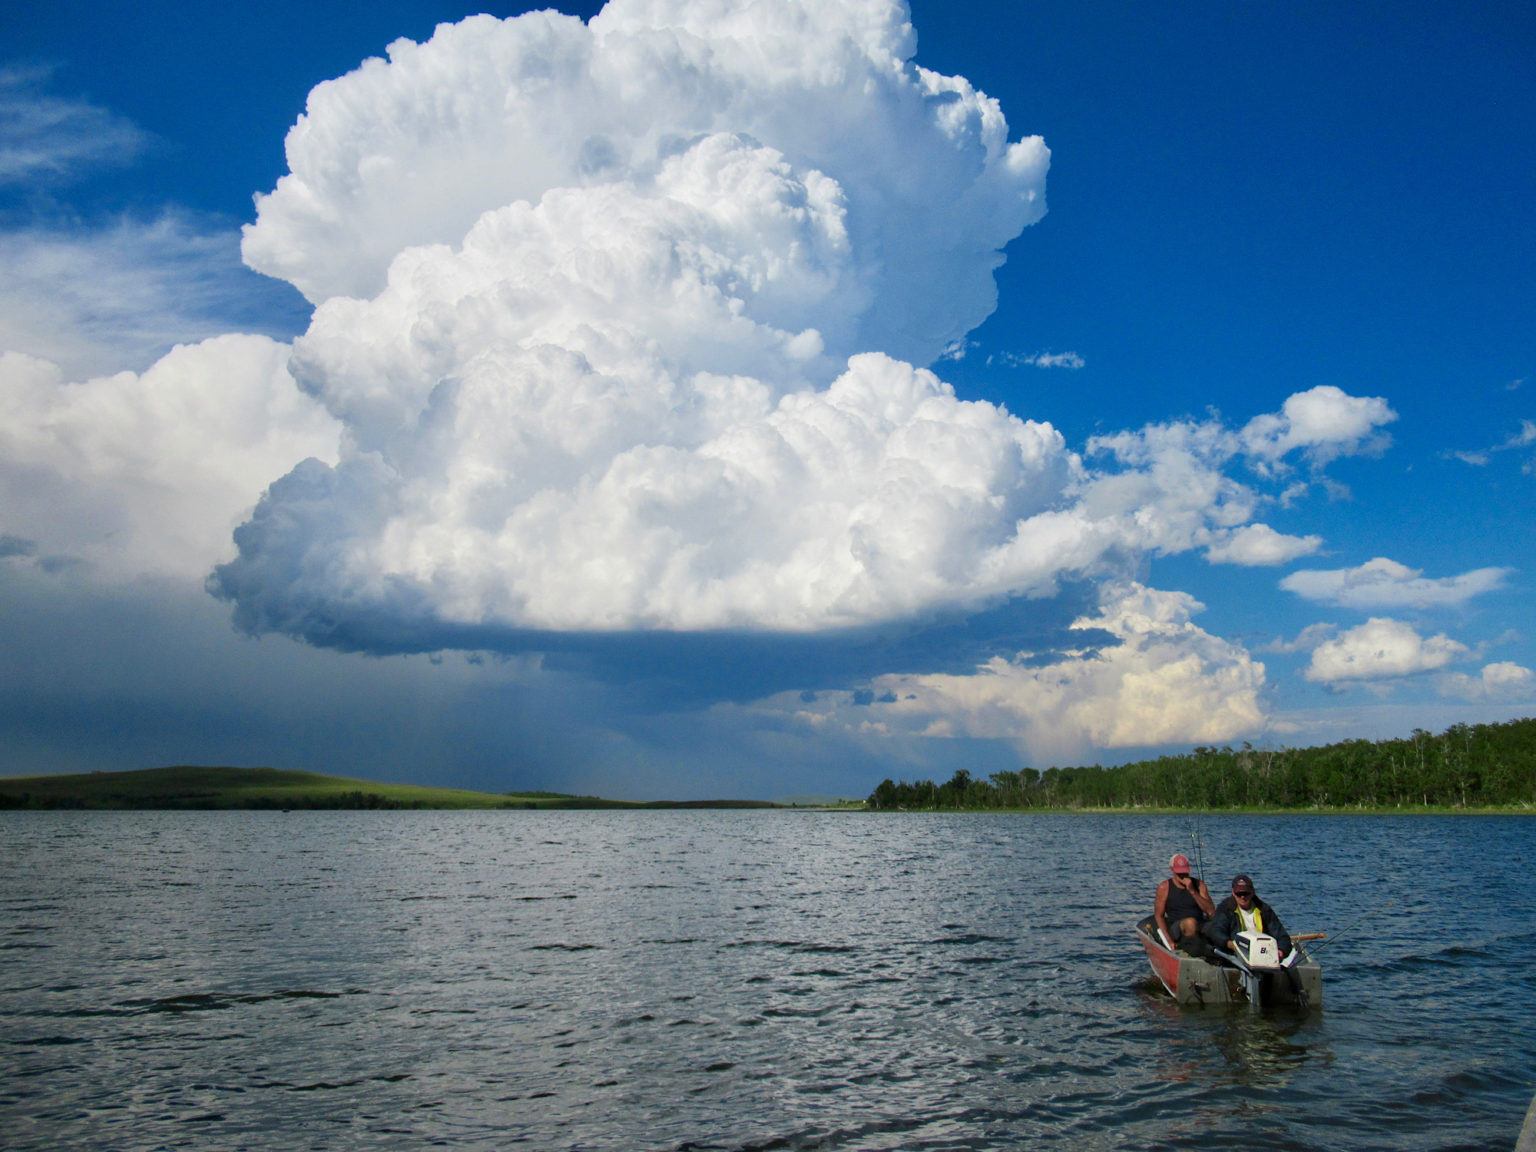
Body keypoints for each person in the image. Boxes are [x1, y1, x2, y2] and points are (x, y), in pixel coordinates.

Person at [1203, 874, 1294, 959]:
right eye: (1239, 894)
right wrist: (1231, 944)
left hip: (1262, 955)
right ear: (1233, 893)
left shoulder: (1264, 909)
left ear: (1253, 892)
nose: (1243, 897)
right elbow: (1216, 931)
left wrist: (1281, 951)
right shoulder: (1225, 909)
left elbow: (1282, 936)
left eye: (1246, 893)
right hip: (1235, 956)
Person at [1154, 853, 1215, 955]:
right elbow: (1159, 915)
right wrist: (1168, 940)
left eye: (1185, 873)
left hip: (1199, 924)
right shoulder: (1164, 887)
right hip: (1177, 928)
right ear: (1172, 870)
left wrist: (1193, 892)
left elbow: (1211, 911)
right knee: (1190, 923)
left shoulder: (1199, 885)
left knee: (1219, 923)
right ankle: (1192, 952)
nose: (1183, 876)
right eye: (1179, 873)